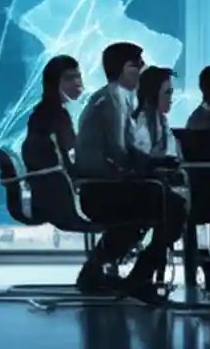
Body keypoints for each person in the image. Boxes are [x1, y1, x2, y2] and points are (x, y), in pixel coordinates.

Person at [74, 42, 187, 304]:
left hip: (105, 185)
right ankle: (140, 278)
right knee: (173, 207)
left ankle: (96, 272)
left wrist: (153, 166)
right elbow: (118, 150)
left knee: (155, 211)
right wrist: (149, 168)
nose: (140, 69)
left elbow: (128, 150)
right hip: (101, 188)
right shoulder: (112, 99)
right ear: (118, 69)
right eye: (134, 64)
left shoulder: (119, 97)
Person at [21, 55, 92, 286]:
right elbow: (71, 155)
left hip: (55, 194)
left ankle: (100, 268)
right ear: (54, 83)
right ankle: (98, 270)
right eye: (70, 78)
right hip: (61, 199)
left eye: (79, 76)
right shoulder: (54, 116)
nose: (78, 82)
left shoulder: (48, 112)